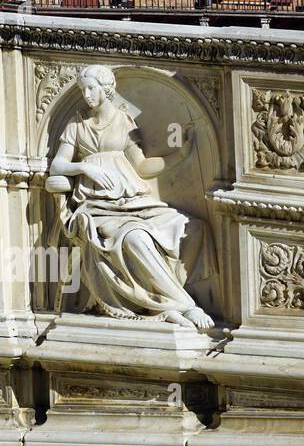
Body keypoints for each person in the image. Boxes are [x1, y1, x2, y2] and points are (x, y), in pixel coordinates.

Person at [47, 64, 213, 329]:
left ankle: (156, 299)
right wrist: (85, 166)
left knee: (192, 228)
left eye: (91, 88)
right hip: (98, 209)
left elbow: (142, 166)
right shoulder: (77, 125)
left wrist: (180, 155)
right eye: (82, 89)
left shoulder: (124, 121)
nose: (86, 94)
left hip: (134, 202)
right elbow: (57, 166)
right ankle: (182, 306)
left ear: (106, 88)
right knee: (135, 237)